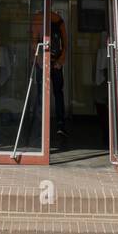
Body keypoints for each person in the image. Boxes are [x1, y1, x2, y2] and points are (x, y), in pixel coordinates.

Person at [30, 7, 68, 137]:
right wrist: (60, 60)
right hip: (54, 62)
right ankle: (60, 124)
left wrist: (38, 60)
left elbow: (34, 42)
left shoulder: (37, 19)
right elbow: (65, 43)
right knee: (58, 93)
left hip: (45, 61)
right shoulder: (58, 19)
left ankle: (41, 124)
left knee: (42, 92)